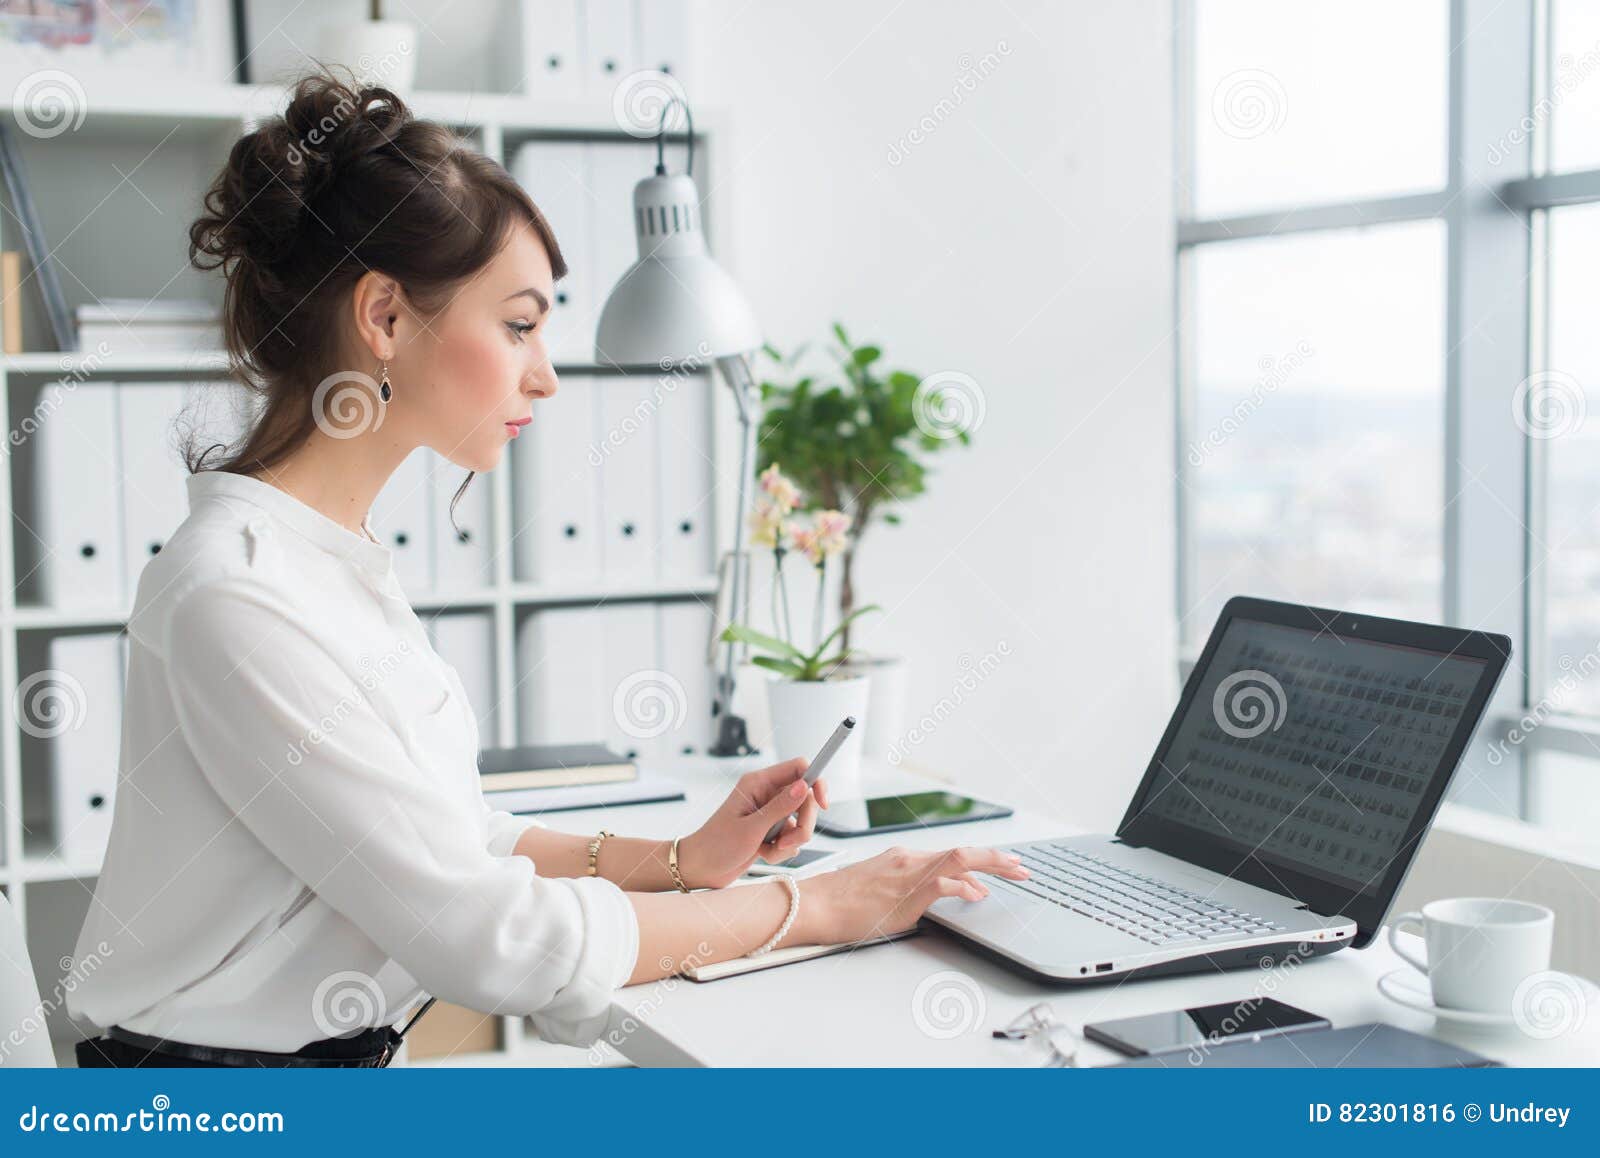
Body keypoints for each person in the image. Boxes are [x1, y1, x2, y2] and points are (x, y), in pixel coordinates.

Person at [66, 70, 1028, 1068]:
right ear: (385, 317)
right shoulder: (237, 594)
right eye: (520, 325)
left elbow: (448, 841)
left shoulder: (323, 563)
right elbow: (492, 939)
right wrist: (819, 906)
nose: (546, 373)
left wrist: (682, 861)